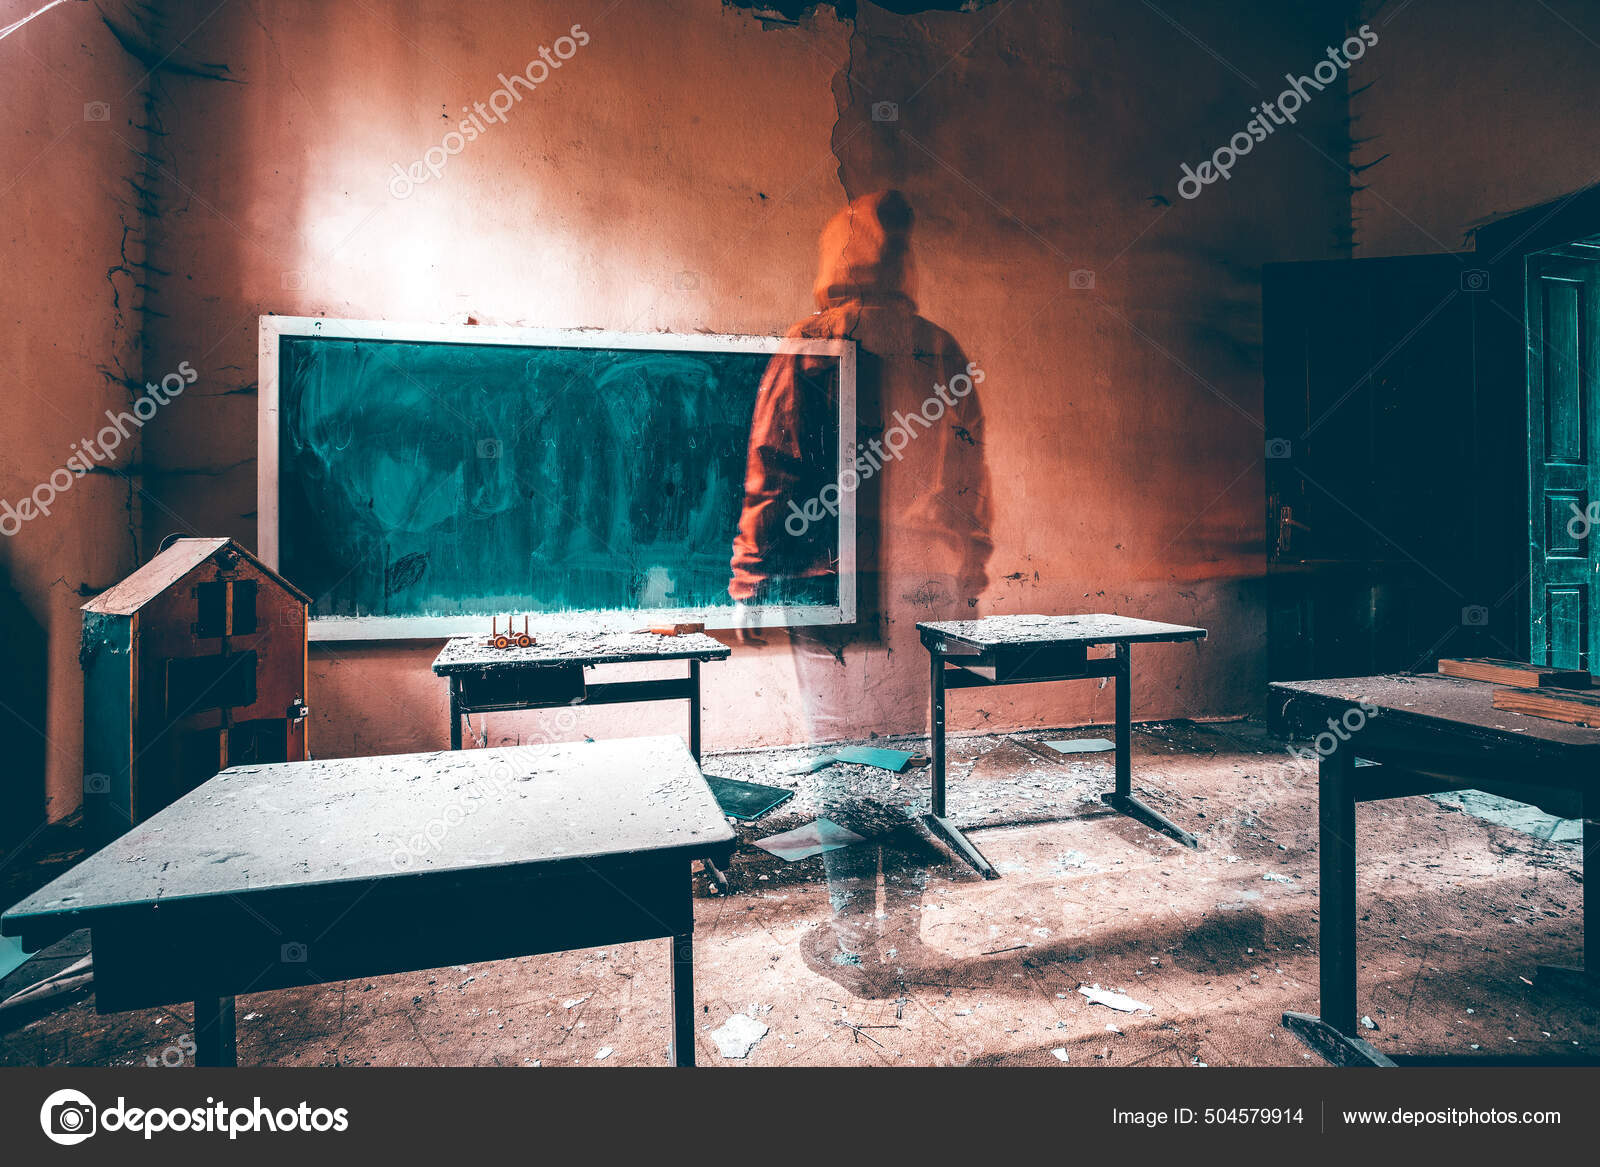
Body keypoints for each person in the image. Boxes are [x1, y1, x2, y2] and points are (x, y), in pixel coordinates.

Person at [729, 190, 994, 995]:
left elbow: (771, 474)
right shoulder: (941, 349)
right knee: (907, 761)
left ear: (833, 255)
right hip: (923, 598)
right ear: (900, 256)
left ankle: (854, 940)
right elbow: (968, 484)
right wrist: (968, 582)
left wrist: (746, 581)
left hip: (831, 597)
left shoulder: (807, 343)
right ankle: (907, 939)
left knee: (843, 763)